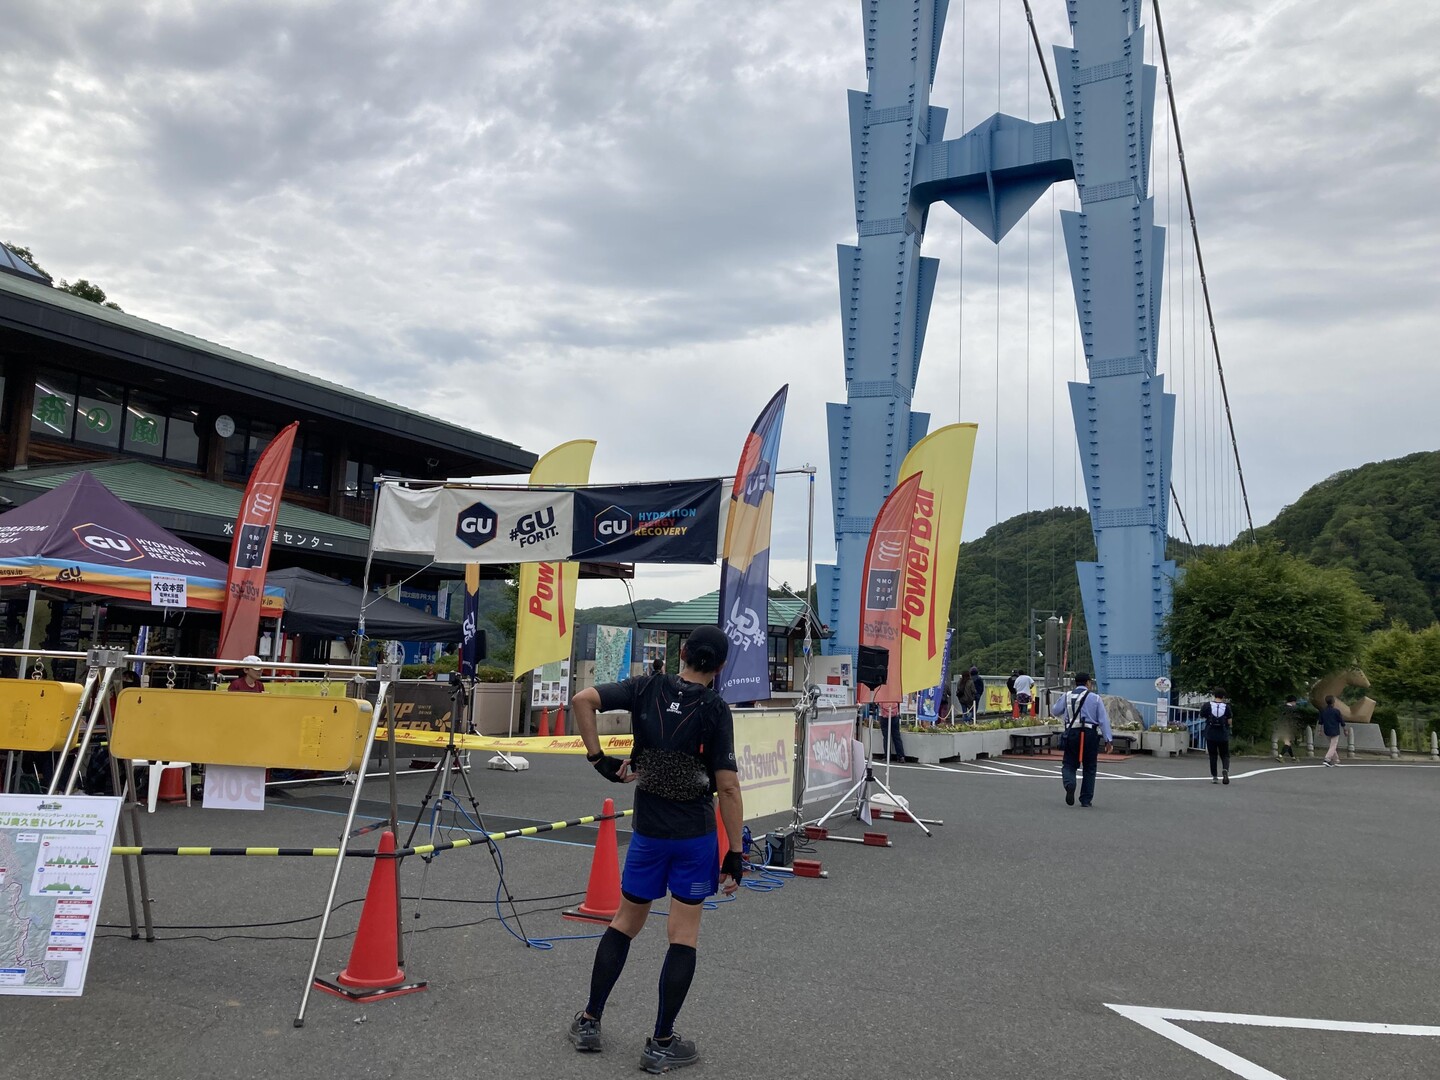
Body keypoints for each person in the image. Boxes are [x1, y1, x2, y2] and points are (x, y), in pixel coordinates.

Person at [568, 625, 743, 1073]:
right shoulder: (716, 709)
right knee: (683, 935)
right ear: (721, 665)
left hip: (648, 831)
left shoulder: (644, 686)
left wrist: (598, 758)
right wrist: (736, 854)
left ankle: (590, 1020)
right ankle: (661, 1043)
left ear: (681, 652)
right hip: (694, 837)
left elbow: (582, 699)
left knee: (625, 922)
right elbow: (728, 788)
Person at [1050, 673, 1112, 807]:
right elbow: (1103, 720)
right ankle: (1086, 799)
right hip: (1089, 734)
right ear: (1088, 683)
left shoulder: (1066, 696)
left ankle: (1070, 783)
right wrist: (1108, 740)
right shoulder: (1095, 698)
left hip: (1072, 733)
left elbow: (1055, 711)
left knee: (1068, 763)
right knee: (1089, 767)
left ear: (1075, 683)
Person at [1201, 687, 1233, 785]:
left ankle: (1214, 776)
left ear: (1214, 695)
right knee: (1225, 754)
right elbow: (1229, 720)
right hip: (1222, 733)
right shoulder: (1226, 706)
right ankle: (1225, 770)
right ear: (1223, 696)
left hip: (1211, 733)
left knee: (1213, 755)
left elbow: (1202, 714)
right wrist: (1229, 729)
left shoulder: (1207, 705)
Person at [1319, 694, 1346, 767]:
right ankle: (1327, 759)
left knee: (1332, 745)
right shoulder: (1336, 711)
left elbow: (1321, 722)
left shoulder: (1323, 711)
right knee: (1333, 746)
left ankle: (1336, 760)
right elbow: (1341, 721)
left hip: (1326, 730)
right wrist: (1345, 730)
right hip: (1335, 730)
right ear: (1333, 702)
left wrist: (1320, 730)